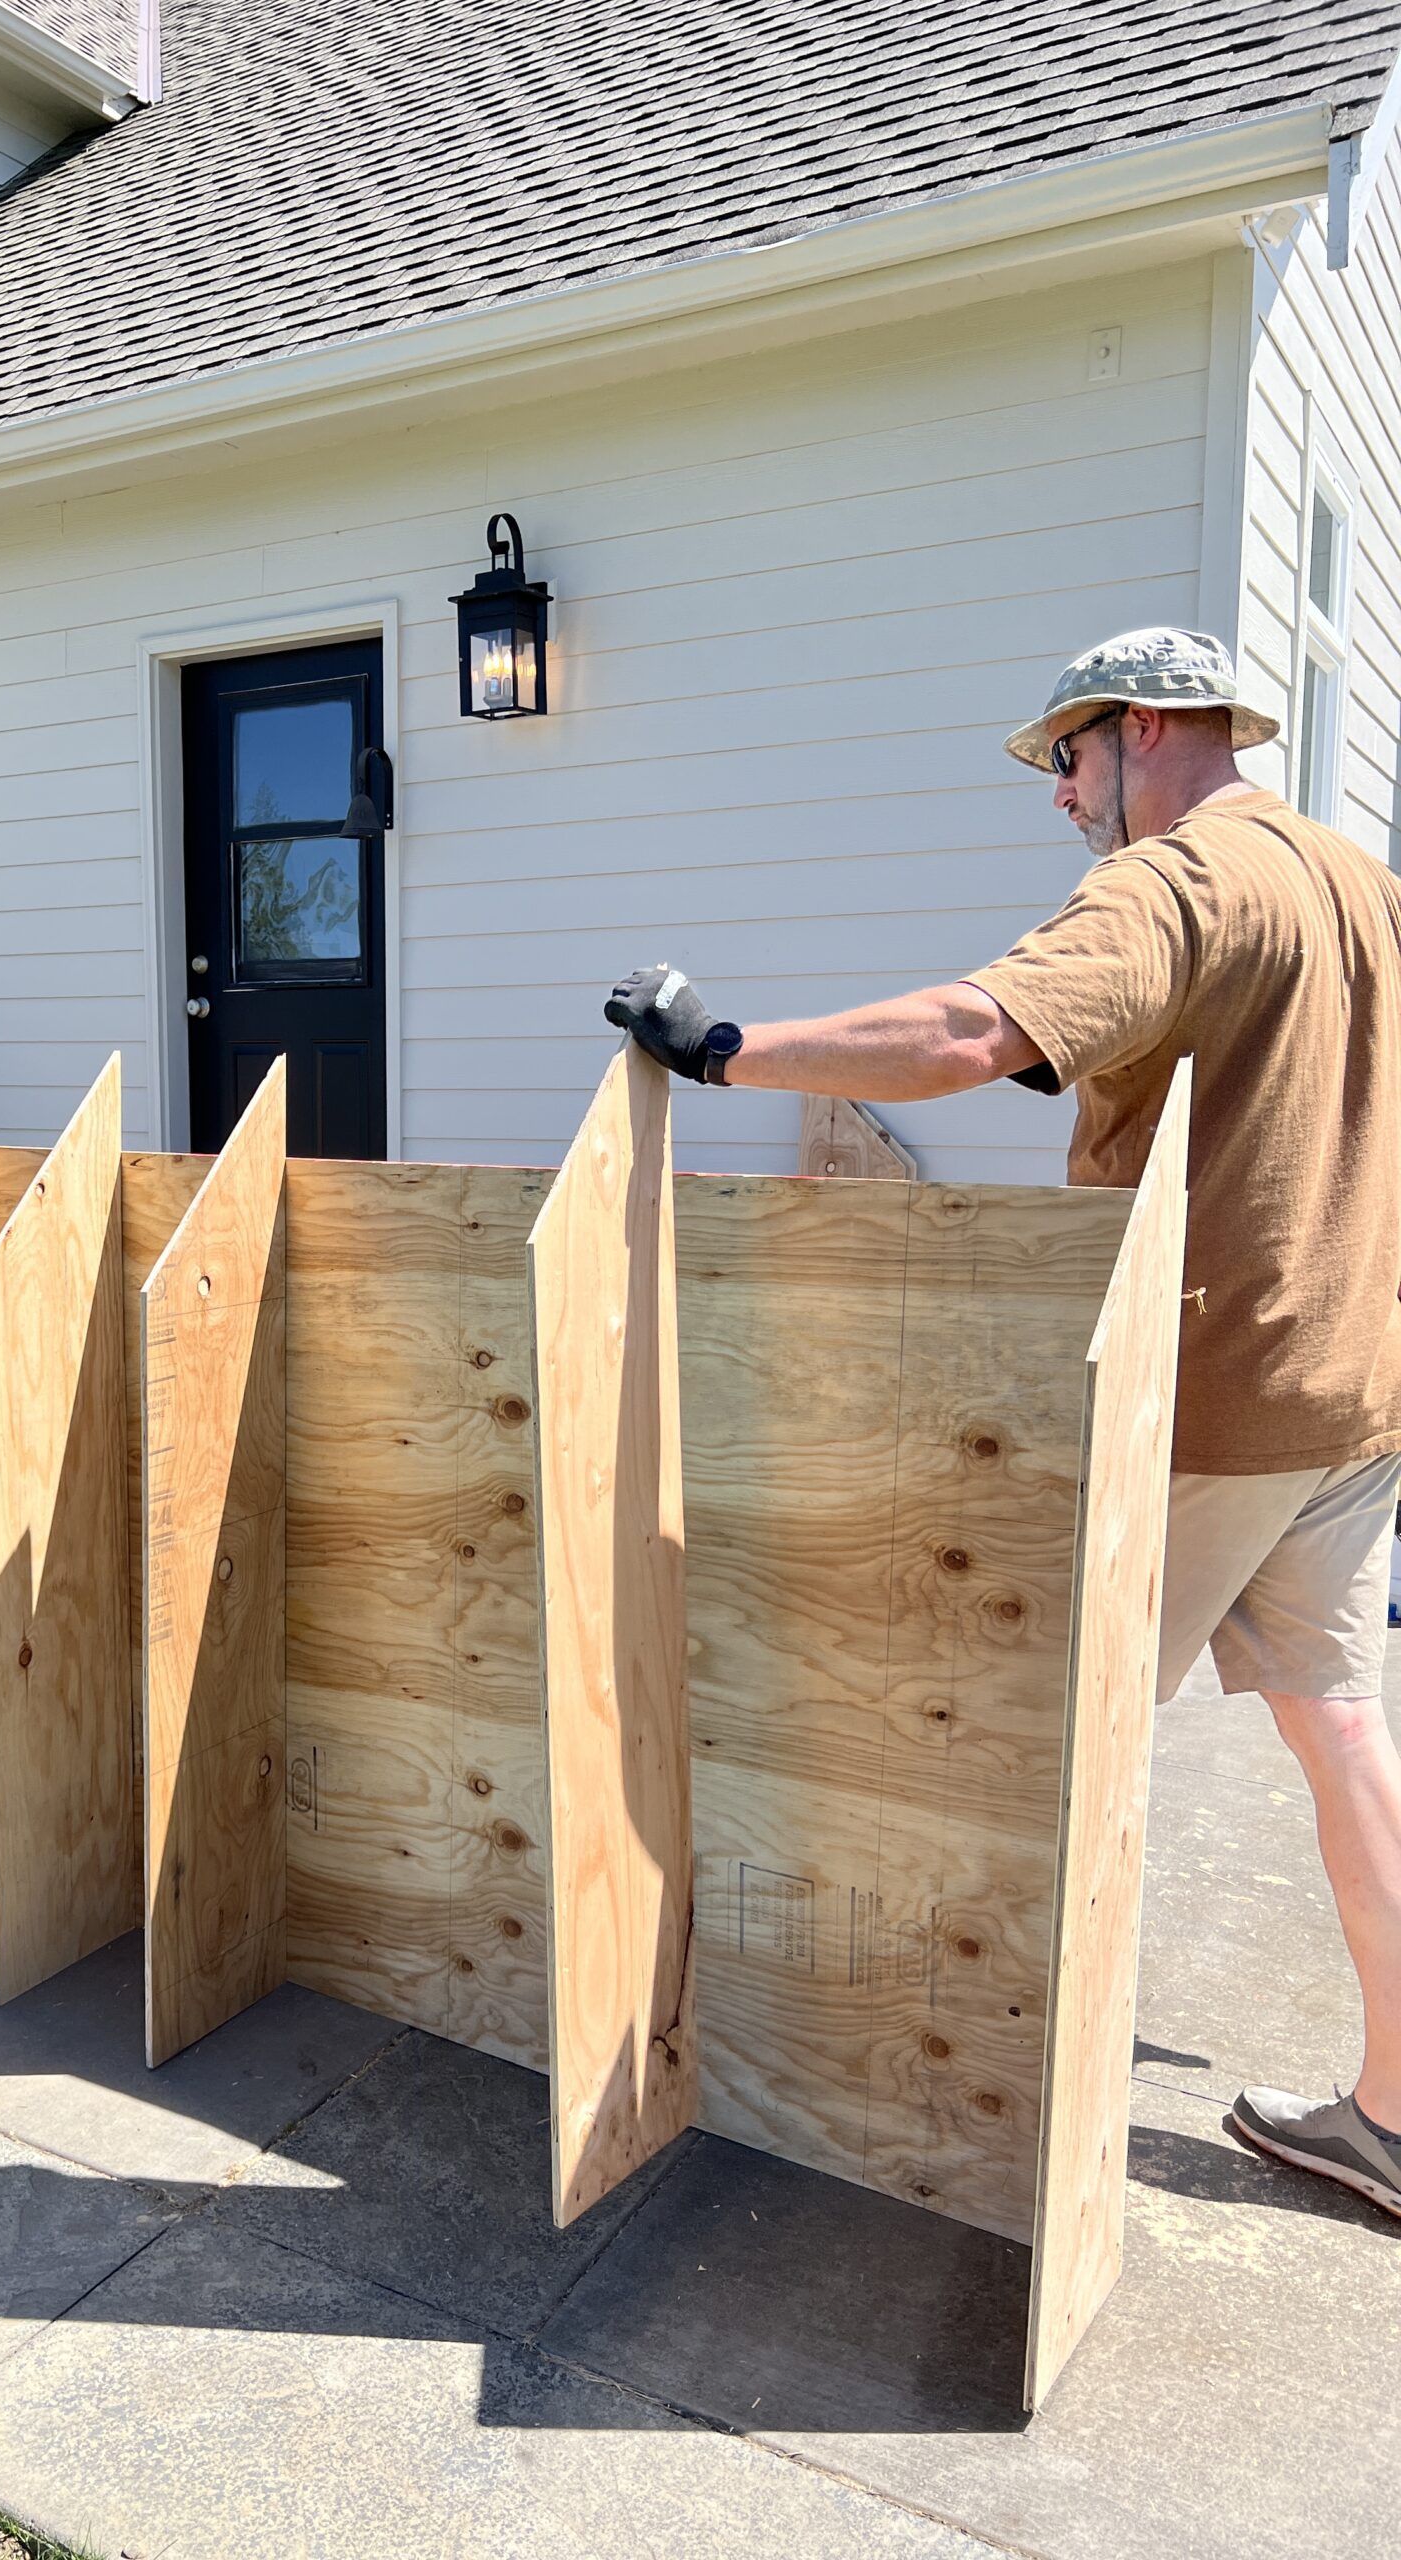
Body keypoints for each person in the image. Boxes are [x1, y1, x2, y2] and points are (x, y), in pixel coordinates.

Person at [605, 627, 1401, 2223]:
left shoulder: (1174, 882)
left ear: (1151, 730)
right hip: (1354, 1380)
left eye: (1068, 758)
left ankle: (948, 2106)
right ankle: (1394, 2111)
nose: (1059, 796)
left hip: (1208, 1393)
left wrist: (723, 1048)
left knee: (1020, 1737)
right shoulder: (1355, 881)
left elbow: (972, 1033)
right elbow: (1248, 1068)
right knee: (1336, 1722)